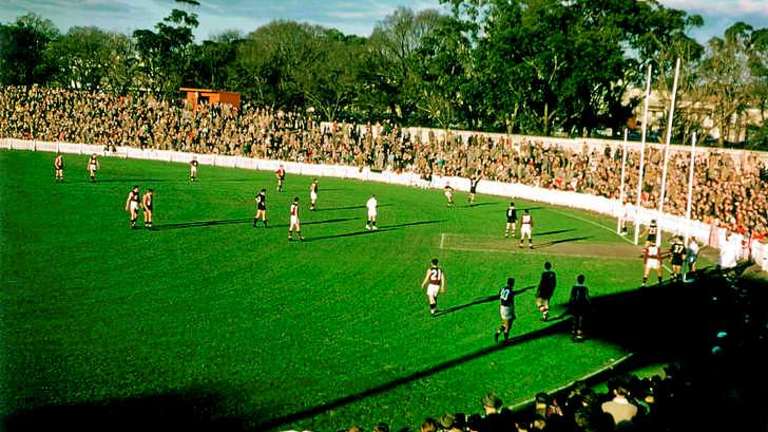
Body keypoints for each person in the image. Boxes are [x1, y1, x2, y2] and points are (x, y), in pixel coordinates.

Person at [495, 277, 520, 344]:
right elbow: (511, 303)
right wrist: (513, 312)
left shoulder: (502, 288)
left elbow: (500, 296)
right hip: (507, 309)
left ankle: (498, 333)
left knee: (504, 323)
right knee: (508, 326)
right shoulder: (511, 292)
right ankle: (506, 340)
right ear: (512, 283)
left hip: (501, 307)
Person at [569, 274, 590, 342]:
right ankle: (579, 334)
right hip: (582, 305)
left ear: (577, 279)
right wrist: (589, 303)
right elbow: (587, 297)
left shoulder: (574, 287)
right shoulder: (585, 287)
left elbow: (571, 297)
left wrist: (571, 304)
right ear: (583, 280)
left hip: (575, 304)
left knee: (575, 319)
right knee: (581, 319)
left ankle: (573, 334)